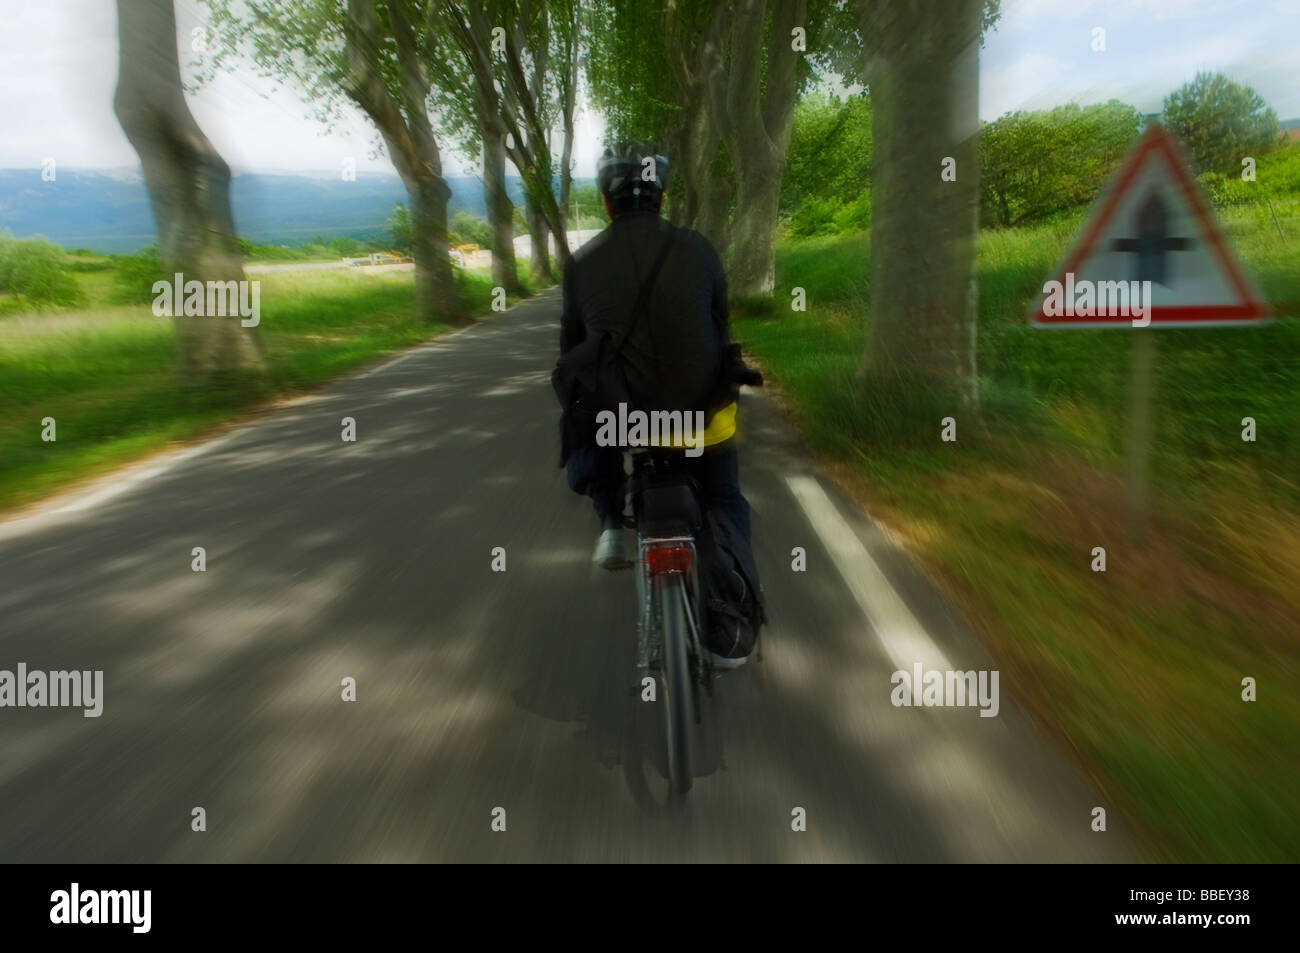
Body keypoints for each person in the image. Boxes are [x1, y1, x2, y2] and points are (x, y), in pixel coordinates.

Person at [558, 141, 761, 663]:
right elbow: (718, 331)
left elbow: (571, 354)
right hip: (700, 424)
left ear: (606, 201)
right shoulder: (699, 251)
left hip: (621, 427)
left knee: (582, 394)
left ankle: (610, 524)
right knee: (726, 501)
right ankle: (731, 629)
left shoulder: (582, 265)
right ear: (662, 197)